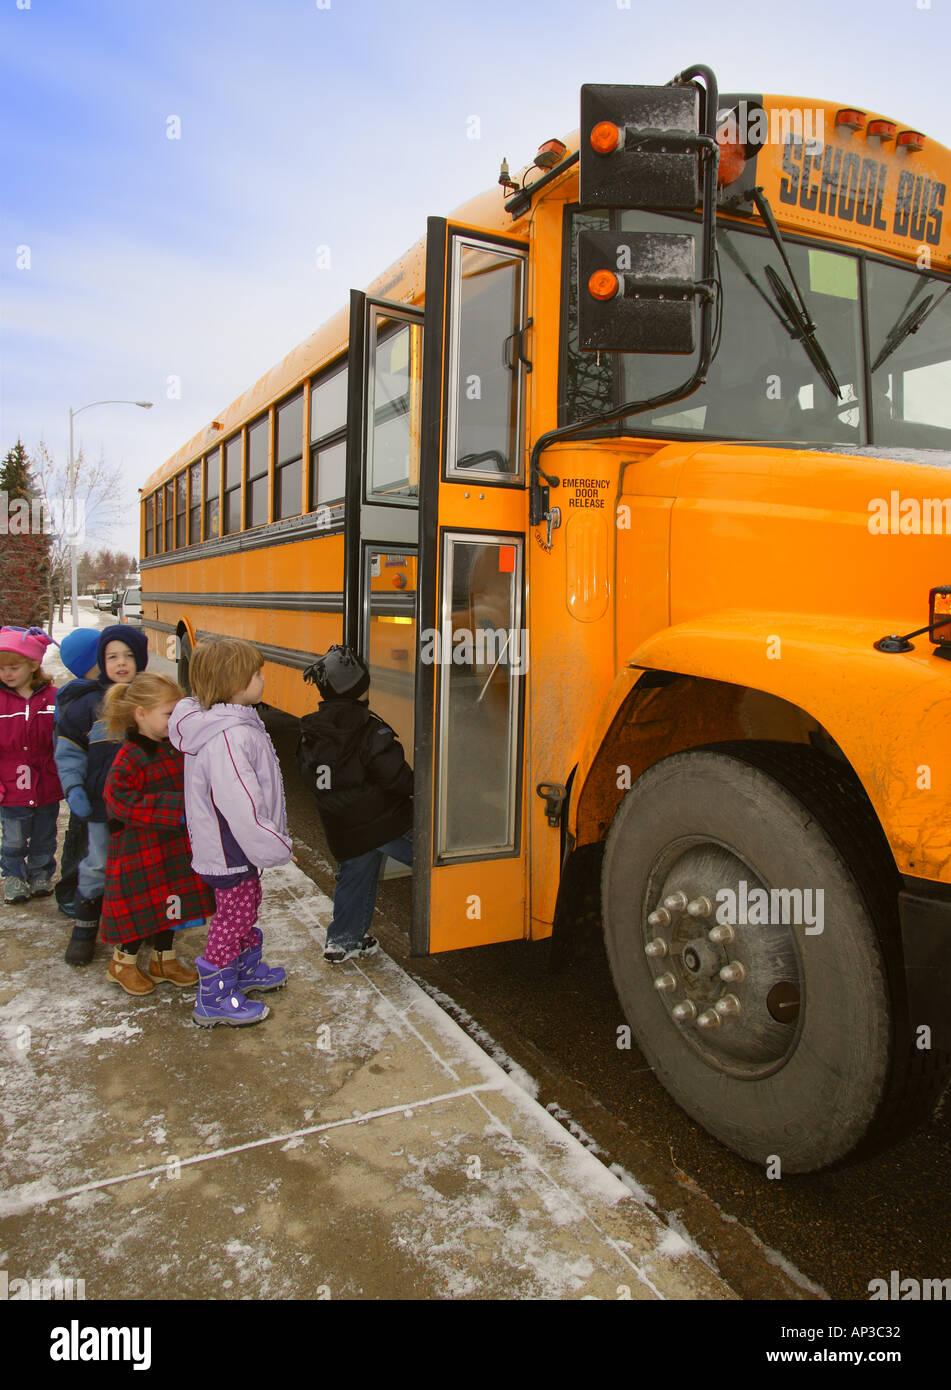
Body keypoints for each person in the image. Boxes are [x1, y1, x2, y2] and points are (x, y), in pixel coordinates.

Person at [168, 638, 291, 1027]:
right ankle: (214, 998)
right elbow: (242, 804)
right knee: (233, 918)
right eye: (256, 673)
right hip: (231, 848)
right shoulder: (228, 736)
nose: (262, 679)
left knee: (245, 905)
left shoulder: (234, 722)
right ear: (234, 683)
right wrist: (275, 846)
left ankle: (243, 971)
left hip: (234, 846)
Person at [296, 645, 413, 964]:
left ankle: (342, 940)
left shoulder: (312, 730)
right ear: (362, 688)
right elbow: (396, 778)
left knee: (354, 878)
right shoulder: (369, 728)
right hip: (384, 822)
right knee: (431, 855)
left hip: (342, 826)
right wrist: (416, 789)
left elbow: (310, 776)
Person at [99, 673, 213, 996]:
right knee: (141, 909)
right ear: (140, 714)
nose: (173, 721)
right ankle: (122, 963)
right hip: (140, 849)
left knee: (170, 903)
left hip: (172, 847)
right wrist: (176, 808)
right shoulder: (129, 756)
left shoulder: (173, 748)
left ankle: (164, 959)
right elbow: (119, 800)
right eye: (167, 714)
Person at [54, 624, 148, 964]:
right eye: (112, 656)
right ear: (101, 661)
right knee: (96, 865)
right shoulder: (87, 705)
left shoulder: (151, 699)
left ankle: (142, 924)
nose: (121, 663)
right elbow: (68, 751)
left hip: (144, 809)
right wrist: (74, 787)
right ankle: (84, 927)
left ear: (141, 660)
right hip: (101, 807)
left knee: (142, 868)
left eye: (128, 656)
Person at [0, 627, 62, 904]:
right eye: (1, 669)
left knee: (44, 836)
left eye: (14, 667)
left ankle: (40, 874)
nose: (7, 674)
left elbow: (64, 738)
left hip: (46, 785)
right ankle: (13, 876)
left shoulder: (54, 698)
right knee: (13, 838)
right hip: (11, 789)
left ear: (34, 664)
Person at [52, 627, 101, 919]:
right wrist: (74, 785)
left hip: (103, 782)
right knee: (79, 839)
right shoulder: (75, 699)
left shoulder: (107, 689)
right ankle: (70, 889)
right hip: (83, 785)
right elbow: (64, 745)